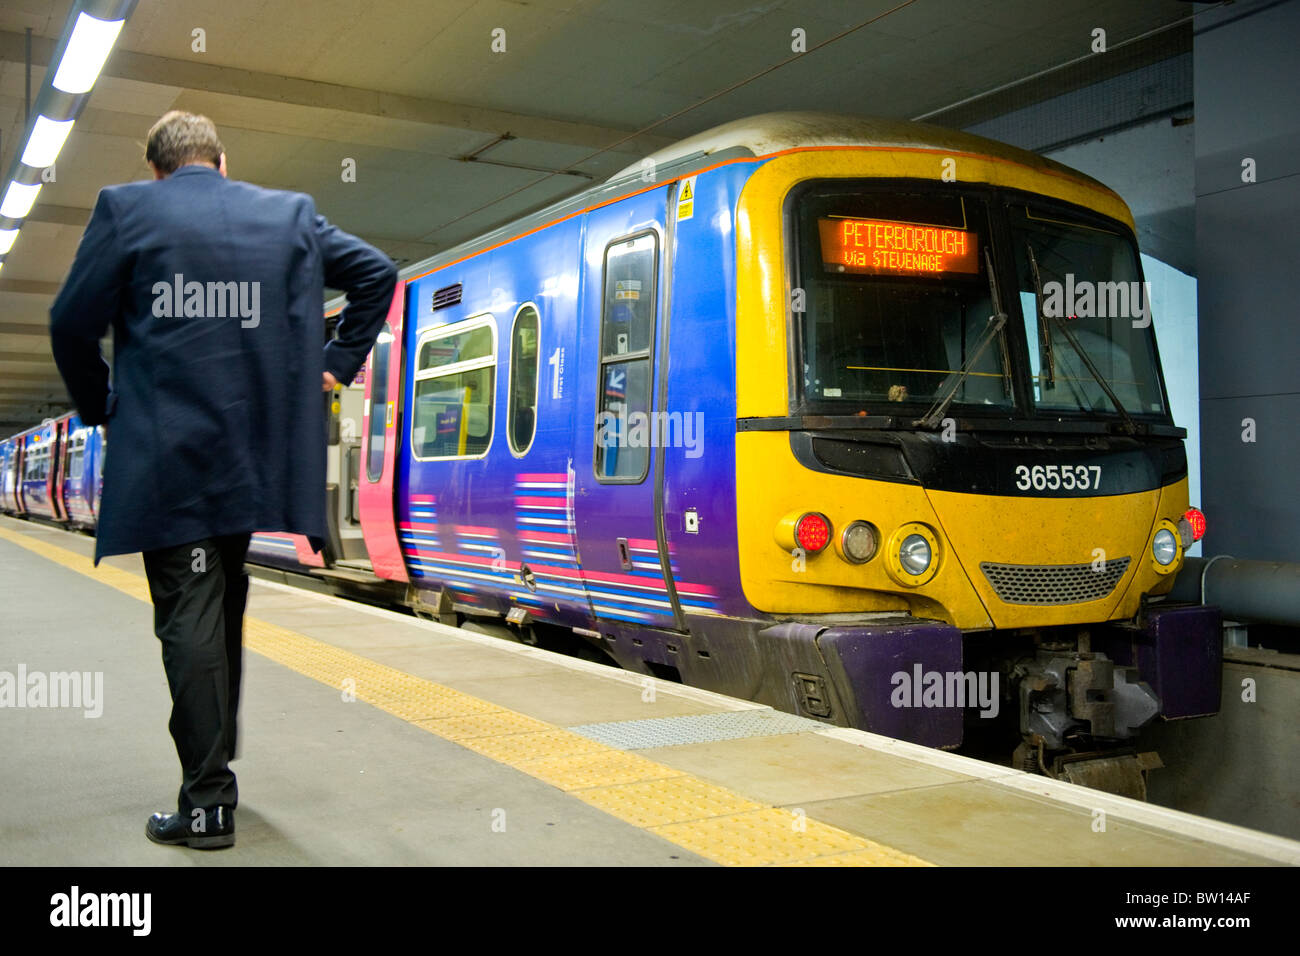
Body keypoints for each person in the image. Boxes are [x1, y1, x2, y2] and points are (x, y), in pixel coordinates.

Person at [49, 111, 397, 850]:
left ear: (156, 169)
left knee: (191, 619)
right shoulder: (289, 215)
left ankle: (208, 801)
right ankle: (215, 761)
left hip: (170, 464)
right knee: (219, 603)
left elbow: (70, 323)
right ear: (222, 160)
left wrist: (104, 407)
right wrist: (337, 363)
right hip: (253, 462)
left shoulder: (127, 209)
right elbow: (376, 273)